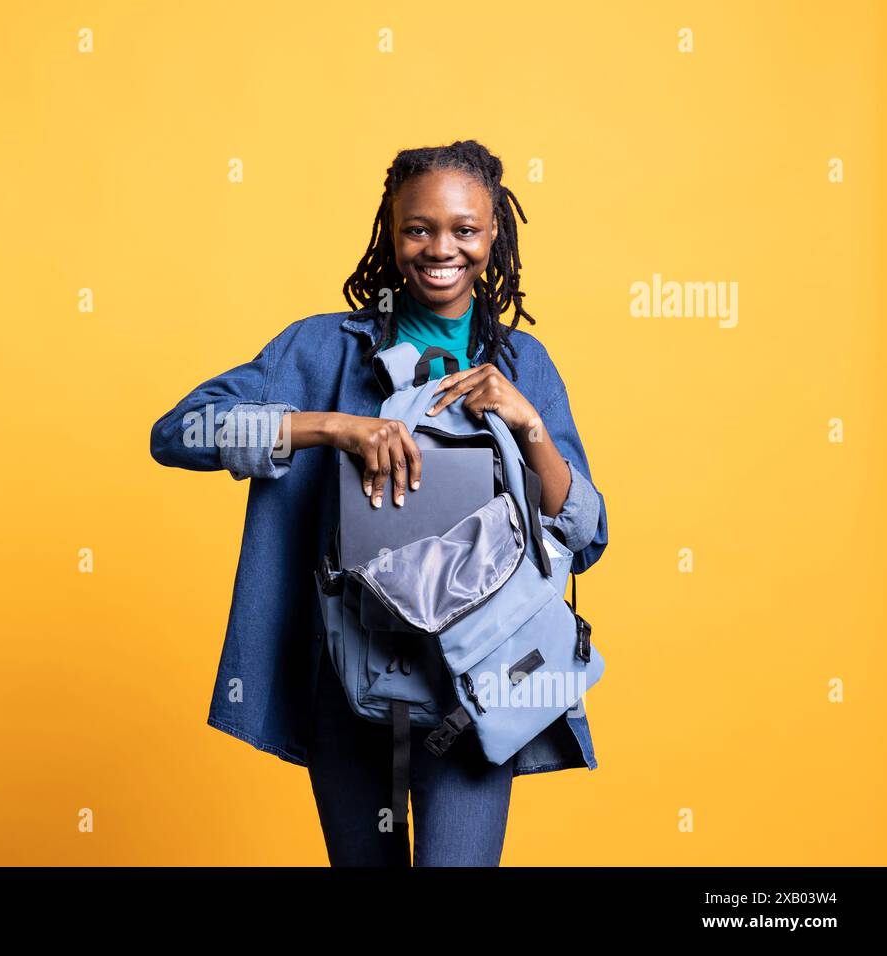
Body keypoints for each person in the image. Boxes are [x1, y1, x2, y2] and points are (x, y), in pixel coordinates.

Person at [149, 140, 608, 866]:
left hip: (479, 684)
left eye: (465, 229)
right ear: (391, 237)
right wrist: (333, 427)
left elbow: (585, 533)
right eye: (418, 228)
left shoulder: (525, 365)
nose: (441, 248)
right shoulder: (321, 351)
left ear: (494, 236)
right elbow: (179, 432)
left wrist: (530, 426)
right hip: (349, 674)